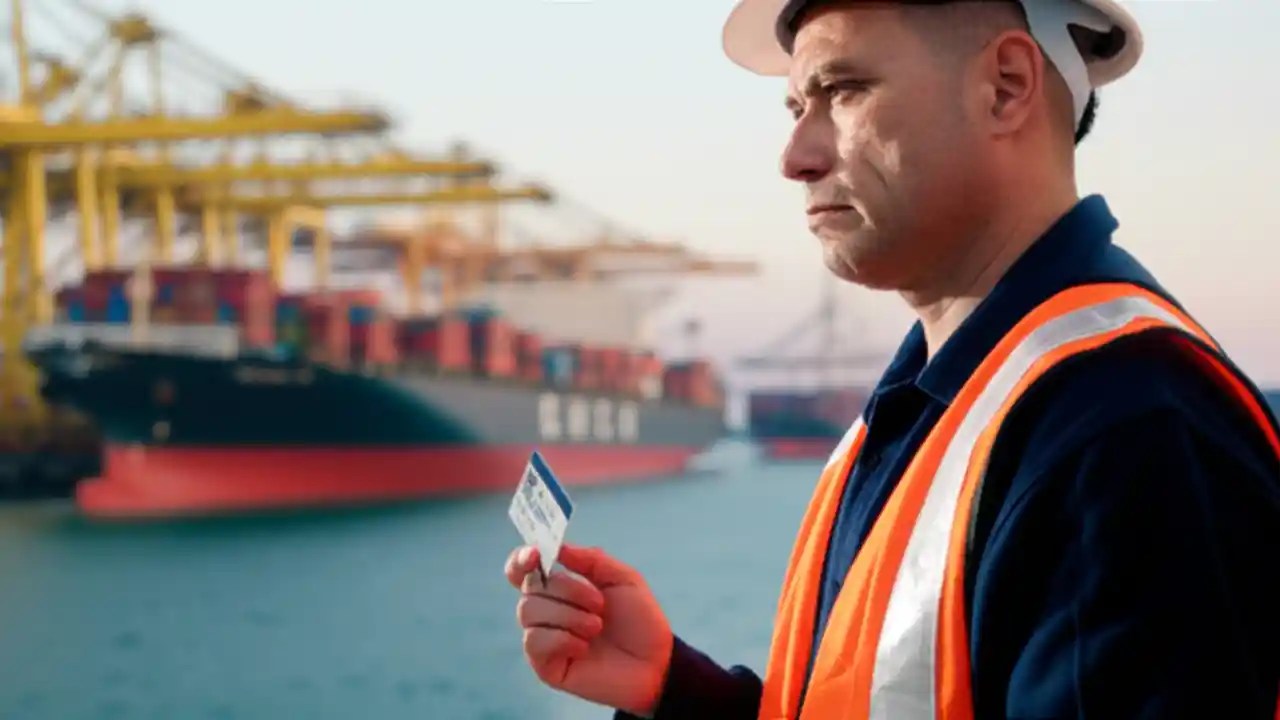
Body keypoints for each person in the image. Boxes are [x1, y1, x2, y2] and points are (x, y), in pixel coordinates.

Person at [504, 0, 1280, 717]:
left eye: (841, 90)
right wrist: (676, 690)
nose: (795, 156)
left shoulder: (1125, 427)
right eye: (795, 107)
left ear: (1007, 88)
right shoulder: (947, 406)